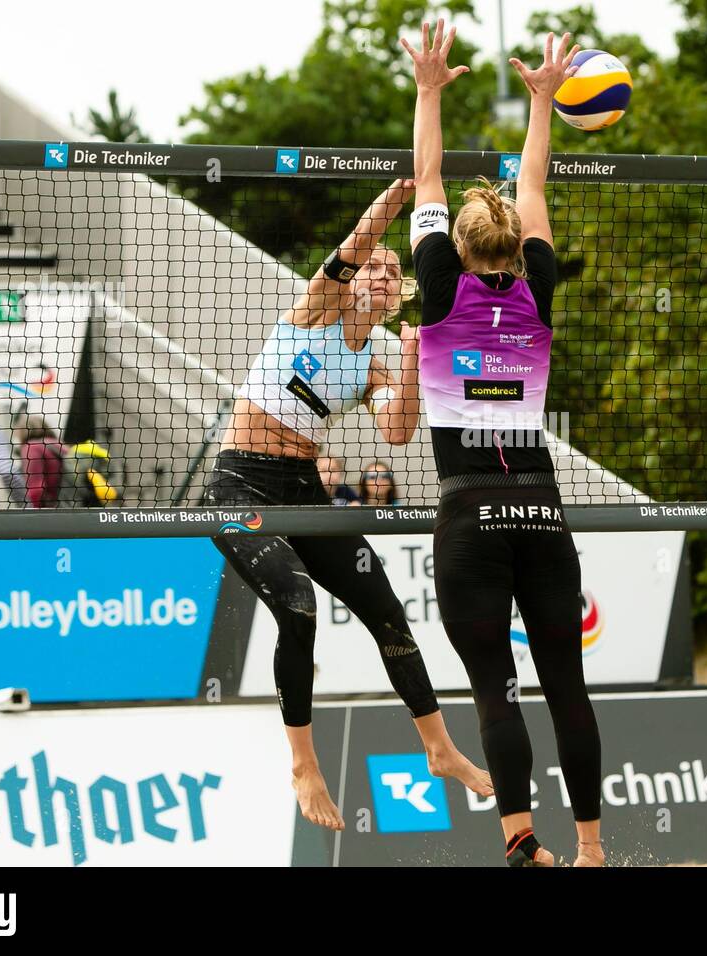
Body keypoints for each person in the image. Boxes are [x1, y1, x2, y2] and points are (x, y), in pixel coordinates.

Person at [204, 176, 490, 830]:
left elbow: (396, 430)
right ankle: (305, 764)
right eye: (377, 269)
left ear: (396, 301)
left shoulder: (374, 366)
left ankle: (439, 749)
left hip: (304, 490)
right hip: (238, 485)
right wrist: (407, 191)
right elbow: (361, 239)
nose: (385, 276)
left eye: (395, 275)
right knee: (299, 608)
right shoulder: (316, 307)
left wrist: (416, 365)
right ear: (356, 280)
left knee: (387, 610)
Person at [405, 21, 602, 867]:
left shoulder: (439, 283)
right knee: (569, 689)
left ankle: (523, 841)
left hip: (468, 515)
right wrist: (542, 102)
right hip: (539, 506)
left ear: (454, 243)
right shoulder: (539, 288)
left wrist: (428, 88)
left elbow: (426, 174)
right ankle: (593, 851)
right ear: (519, 246)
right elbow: (534, 183)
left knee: (496, 689)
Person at [15, 415, 67, 508]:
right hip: (70, 504)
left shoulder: (31, 448)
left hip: (50, 510)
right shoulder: (59, 444)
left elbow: (36, 488)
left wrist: (34, 514)